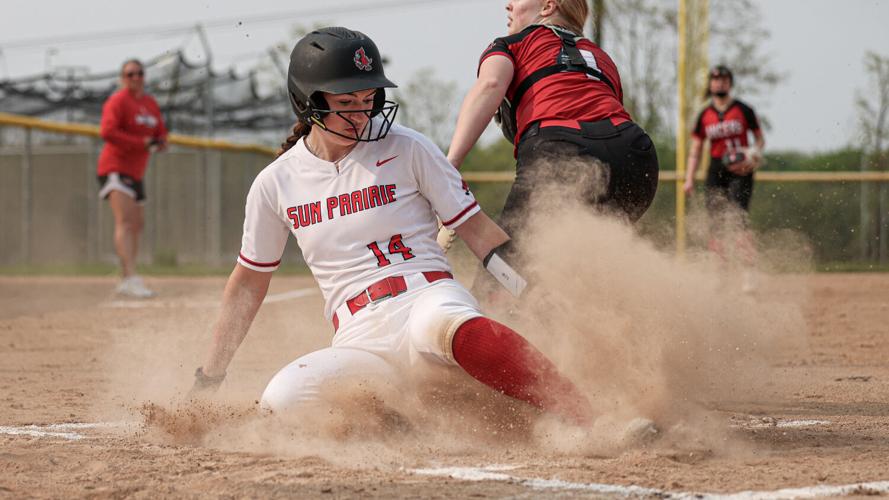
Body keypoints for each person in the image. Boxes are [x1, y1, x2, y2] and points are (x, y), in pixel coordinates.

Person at [190, 27, 592, 427]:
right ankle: (407, 420)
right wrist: (209, 377)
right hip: (359, 336)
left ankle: (584, 414)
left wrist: (532, 293)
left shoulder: (408, 147)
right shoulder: (276, 182)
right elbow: (248, 284)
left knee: (448, 326)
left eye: (369, 100)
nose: (361, 114)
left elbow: (481, 236)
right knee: (283, 398)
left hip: (426, 297)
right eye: (346, 102)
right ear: (307, 102)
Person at [446, 0, 659, 276]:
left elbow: (490, 84)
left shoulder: (511, 44)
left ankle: (495, 298)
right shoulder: (601, 56)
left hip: (561, 150)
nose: (508, 5)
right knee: (582, 265)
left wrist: (448, 165)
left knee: (507, 271)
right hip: (635, 155)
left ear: (548, 7)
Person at [683, 65, 765, 291]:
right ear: (710, 84)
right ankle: (720, 274)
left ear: (730, 83)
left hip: (741, 170)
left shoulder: (744, 110)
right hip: (716, 169)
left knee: (739, 219)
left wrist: (753, 154)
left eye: (724, 79)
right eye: (716, 79)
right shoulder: (704, 115)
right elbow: (696, 149)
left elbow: (759, 139)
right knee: (716, 223)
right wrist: (689, 178)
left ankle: (749, 272)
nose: (720, 83)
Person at [97, 59, 167, 298]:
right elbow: (107, 131)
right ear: (122, 78)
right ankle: (128, 277)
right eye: (130, 74)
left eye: (139, 73)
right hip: (115, 167)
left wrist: (161, 142)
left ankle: (128, 275)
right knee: (126, 222)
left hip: (137, 172)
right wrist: (140, 143)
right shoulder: (118, 101)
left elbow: (160, 131)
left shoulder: (149, 103)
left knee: (137, 225)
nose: (136, 77)